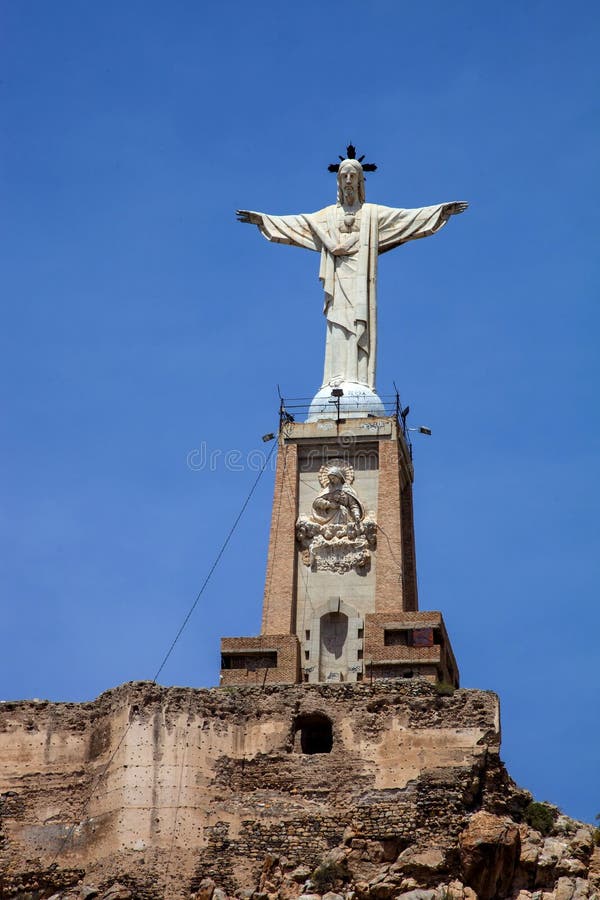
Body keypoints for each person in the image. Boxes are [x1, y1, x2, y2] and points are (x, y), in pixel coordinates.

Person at [237, 158, 467, 389]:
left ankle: (358, 380)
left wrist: (439, 211)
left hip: (360, 280)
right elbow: (297, 224)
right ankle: (335, 378)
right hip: (337, 282)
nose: (348, 180)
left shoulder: (372, 214)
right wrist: (264, 220)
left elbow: (406, 218)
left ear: (359, 181)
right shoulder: (326, 216)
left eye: (352, 176)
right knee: (337, 325)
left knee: (359, 324)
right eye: (344, 176)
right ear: (338, 181)